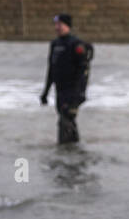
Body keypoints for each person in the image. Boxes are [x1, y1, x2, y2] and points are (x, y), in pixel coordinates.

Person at [40, 13, 93, 144]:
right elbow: (51, 70)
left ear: (67, 26)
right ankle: (73, 152)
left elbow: (84, 71)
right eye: (56, 25)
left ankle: (66, 155)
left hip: (73, 91)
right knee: (67, 122)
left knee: (65, 121)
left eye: (60, 24)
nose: (57, 27)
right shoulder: (55, 44)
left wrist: (80, 93)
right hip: (60, 91)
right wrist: (45, 92)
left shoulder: (76, 44)